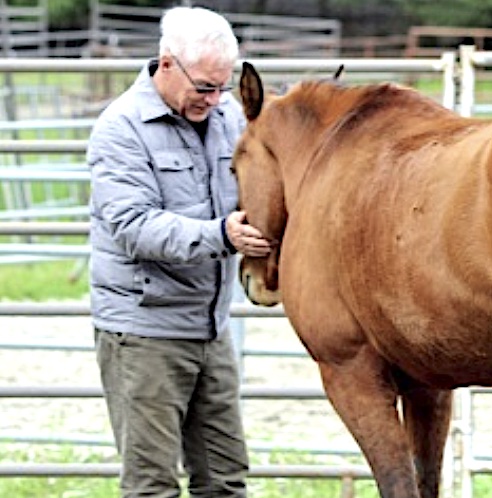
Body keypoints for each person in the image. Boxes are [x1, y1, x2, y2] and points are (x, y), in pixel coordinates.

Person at [86, 6, 271, 497]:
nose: (214, 100)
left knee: (226, 480)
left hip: (210, 328)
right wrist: (221, 237)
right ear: (167, 64)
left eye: (222, 87)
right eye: (204, 87)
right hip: (144, 332)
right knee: (152, 485)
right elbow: (132, 225)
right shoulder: (121, 128)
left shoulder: (229, 116)